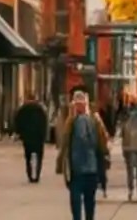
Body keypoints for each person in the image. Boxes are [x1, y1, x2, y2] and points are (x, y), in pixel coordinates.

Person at [56, 91, 109, 220]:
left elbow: (63, 143)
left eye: (80, 103)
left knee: (82, 201)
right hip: (82, 169)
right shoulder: (75, 121)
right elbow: (64, 143)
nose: (79, 106)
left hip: (83, 169)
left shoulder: (90, 120)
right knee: (85, 201)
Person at [13, 95, 49, 182]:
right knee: (39, 157)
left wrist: (19, 133)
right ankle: (37, 175)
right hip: (38, 137)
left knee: (28, 157)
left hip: (27, 137)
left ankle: (30, 175)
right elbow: (44, 123)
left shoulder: (22, 110)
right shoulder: (40, 110)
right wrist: (44, 136)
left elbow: (17, 122)